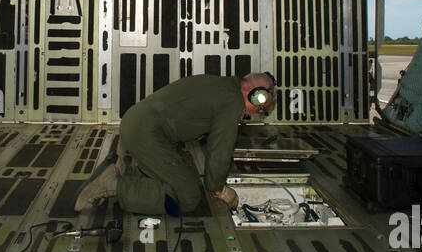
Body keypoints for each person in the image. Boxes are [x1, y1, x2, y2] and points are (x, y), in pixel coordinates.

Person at [75, 71, 277, 215]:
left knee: (187, 177)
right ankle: (113, 186)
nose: (256, 112)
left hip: (141, 126)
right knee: (187, 198)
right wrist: (218, 189)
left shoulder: (224, 86)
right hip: (146, 133)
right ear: (254, 93)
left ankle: (123, 172)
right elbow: (220, 150)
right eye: (259, 107)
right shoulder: (233, 102)